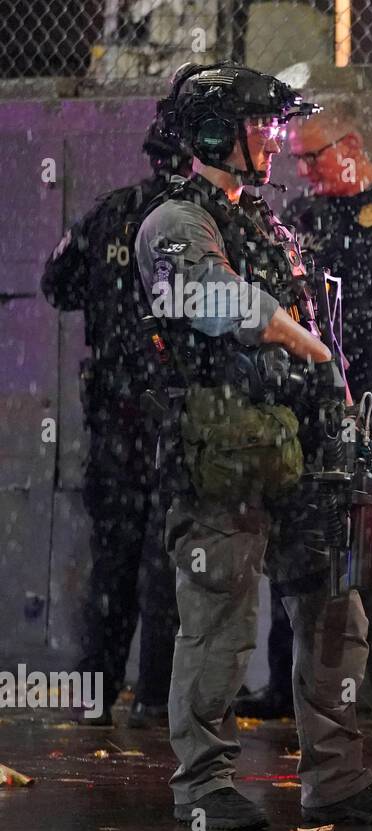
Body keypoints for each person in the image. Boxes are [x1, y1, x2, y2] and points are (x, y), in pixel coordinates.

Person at [134, 61, 372, 829]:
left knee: (337, 611)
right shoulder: (175, 221)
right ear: (211, 134)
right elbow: (206, 296)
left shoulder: (264, 221)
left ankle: (336, 774)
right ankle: (202, 783)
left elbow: (316, 331)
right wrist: (301, 342)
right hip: (224, 456)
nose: (270, 138)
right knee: (220, 622)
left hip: (298, 451)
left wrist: (337, 407)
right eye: (255, 124)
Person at [234, 103, 372, 719]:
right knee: (306, 556)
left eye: (314, 156)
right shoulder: (304, 218)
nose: (305, 169)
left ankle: (361, 695)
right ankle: (289, 691)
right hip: (321, 408)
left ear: (351, 143)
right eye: (297, 159)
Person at [40, 69, 198, 729]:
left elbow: (58, 285)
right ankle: (156, 699)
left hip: (117, 415)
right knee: (167, 559)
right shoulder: (198, 224)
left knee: (114, 557)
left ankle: (96, 694)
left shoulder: (110, 213)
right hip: (173, 412)